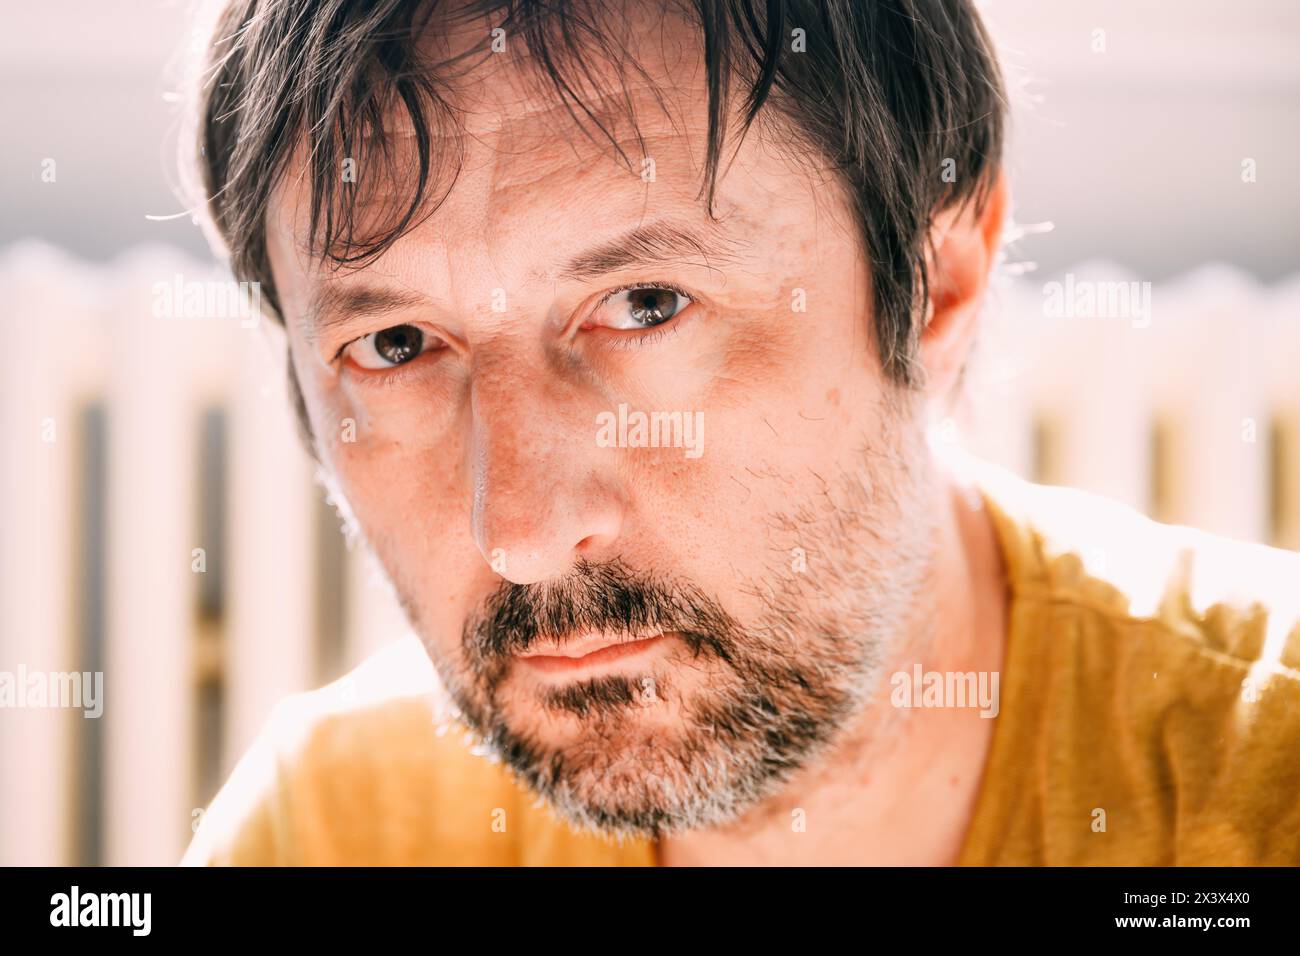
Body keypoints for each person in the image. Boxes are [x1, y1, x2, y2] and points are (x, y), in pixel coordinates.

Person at [180, 0, 1300, 866]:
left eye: (647, 304)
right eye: (394, 343)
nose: (519, 532)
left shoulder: (1265, 767)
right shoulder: (335, 826)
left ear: (935, 279)